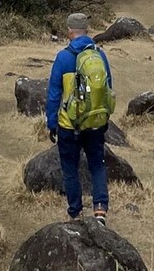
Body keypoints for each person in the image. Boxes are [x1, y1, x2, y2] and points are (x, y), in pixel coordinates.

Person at [47, 12, 114, 224]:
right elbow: (108, 88)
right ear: (87, 30)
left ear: (69, 31)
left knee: (70, 168)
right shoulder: (99, 55)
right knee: (97, 165)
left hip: (69, 124)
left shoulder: (63, 57)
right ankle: (100, 209)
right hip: (95, 122)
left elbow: (54, 93)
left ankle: (76, 213)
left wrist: (51, 123)